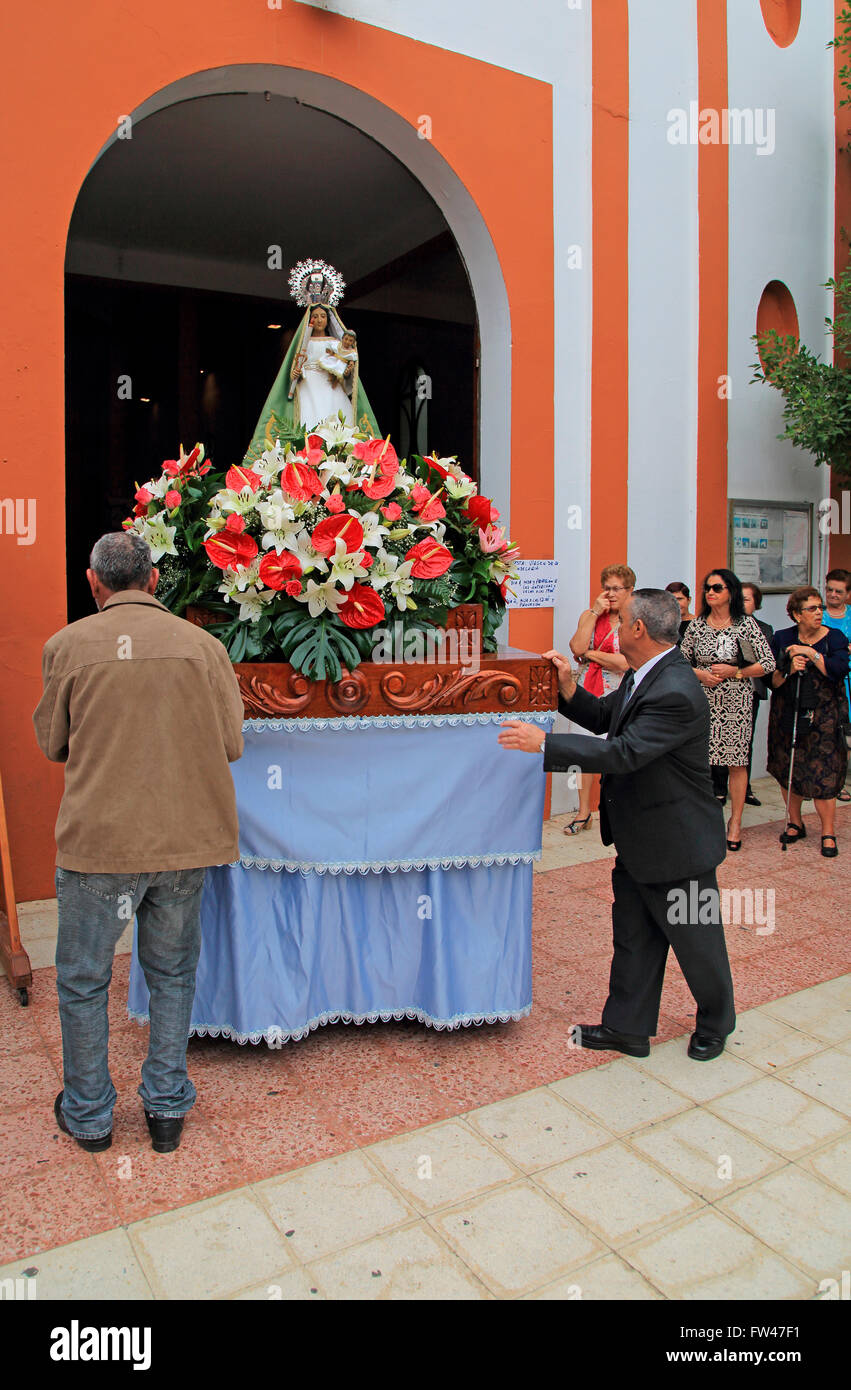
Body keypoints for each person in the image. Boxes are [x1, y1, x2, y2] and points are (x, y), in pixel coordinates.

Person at [33, 532, 245, 1154]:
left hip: (100, 844)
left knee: (81, 978)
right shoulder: (204, 647)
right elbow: (231, 744)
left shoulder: (66, 647)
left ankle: (92, 1115)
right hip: (184, 842)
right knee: (173, 974)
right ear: (154, 582)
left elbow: (53, 744)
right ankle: (166, 1111)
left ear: (93, 584)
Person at [498, 589, 735, 1061]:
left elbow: (625, 753)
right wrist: (567, 688)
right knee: (633, 936)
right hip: (639, 837)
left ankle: (716, 1022)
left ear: (638, 629)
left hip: (678, 844)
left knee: (698, 943)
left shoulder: (675, 689)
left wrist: (544, 745)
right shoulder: (645, 674)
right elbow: (608, 719)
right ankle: (626, 1028)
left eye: (620, 619)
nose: (614, 625)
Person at [679, 569, 775, 850]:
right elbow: (681, 661)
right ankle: (700, 821)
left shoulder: (745, 625)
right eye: (707, 588)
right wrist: (701, 675)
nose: (710, 592)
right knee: (699, 761)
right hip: (703, 700)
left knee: (736, 761)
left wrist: (737, 672)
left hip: (736, 701)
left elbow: (767, 663)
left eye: (717, 588)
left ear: (730, 592)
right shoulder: (697, 626)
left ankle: (735, 821)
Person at [242, 300, 379, 466]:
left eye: (323, 316)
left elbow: (344, 360)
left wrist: (344, 369)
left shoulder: (335, 343)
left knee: (337, 424)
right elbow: (295, 366)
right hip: (308, 387)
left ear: (328, 319)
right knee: (308, 424)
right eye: (315, 316)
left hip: (331, 387)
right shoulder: (303, 343)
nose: (319, 320)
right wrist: (296, 373)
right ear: (310, 320)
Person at [767, 586, 849, 856]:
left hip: (825, 714)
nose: (819, 613)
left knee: (825, 771)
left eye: (820, 607)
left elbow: (838, 671)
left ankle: (828, 832)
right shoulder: (781, 638)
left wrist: (811, 654)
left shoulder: (834, 637)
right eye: (812, 608)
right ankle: (795, 822)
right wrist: (790, 667)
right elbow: (772, 681)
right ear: (796, 614)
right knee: (789, 766)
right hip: (789, 710)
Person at [563, 564, 635, 834]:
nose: (611, 593)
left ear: (630, 590)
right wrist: (594, 612)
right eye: (607, 588)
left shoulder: (634, 621)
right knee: (584, 752)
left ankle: (618, 811)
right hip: (588, 688)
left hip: (619, 691)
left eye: (617, 588)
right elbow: (576, 647)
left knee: (617, 753)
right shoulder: (591, 615)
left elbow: (624, 663)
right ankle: (584, 812)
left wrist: (590, 654)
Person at [712, 582, 775, 807]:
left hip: (749, 690)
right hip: (719, 690)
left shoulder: (764, 629)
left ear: (755, 604)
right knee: (718, 740)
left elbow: (760, 660)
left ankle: (744, 789)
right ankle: (718, 788)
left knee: (742, 742)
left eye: (747, 599)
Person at [823, 568, 851, 801]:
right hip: (823, 683)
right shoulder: (817, 614)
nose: (832, 594)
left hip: (848, 683)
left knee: (845, 736)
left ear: (847, 594)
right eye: (829, 589)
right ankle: (826, 784)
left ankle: (840, 781)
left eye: (838, 591)